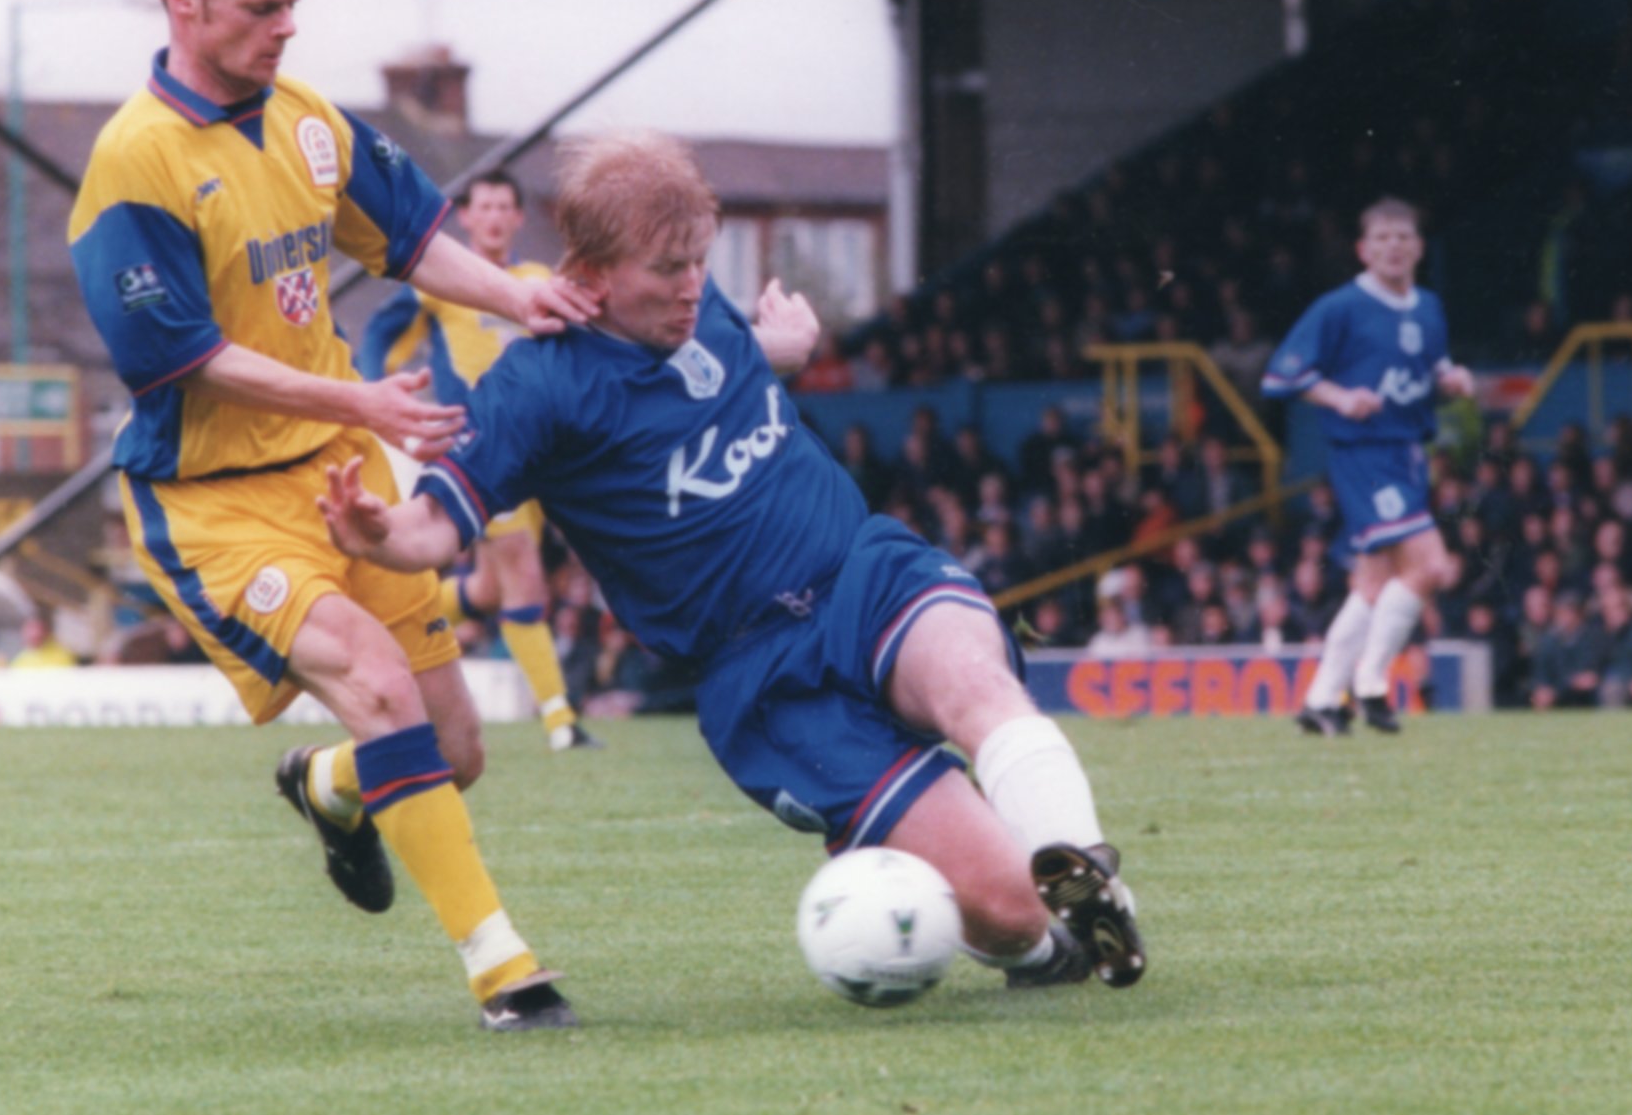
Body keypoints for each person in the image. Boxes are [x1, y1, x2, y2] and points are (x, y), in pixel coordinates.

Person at [320, 129, 1145, 992]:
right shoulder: (539, 389)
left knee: (976, 682)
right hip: (763, 680)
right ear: (594, 277)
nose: (691, 290)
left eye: (698, 263)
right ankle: (1052, 946)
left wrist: (785, 349)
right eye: (667, 270)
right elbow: (435, 529)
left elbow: (737, 353)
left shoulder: (703, 309)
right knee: (1011, 913)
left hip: (861, 572)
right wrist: (376, 534)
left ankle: (1094, 880)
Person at [68, 0, 595, 1031]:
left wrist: (518, 297)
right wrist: (357, 395)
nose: (288, 26)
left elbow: (409, 240)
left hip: (339, 473)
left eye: (295, 2)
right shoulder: (135, 163)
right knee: (372, 680)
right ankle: (504, 968)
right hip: (214, 506)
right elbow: (185, 362)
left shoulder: (309, 119)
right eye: (264, 6)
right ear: (185, 1)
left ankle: (327, 787)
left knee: (450, 751)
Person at [357, 170, 600, 753]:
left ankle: (374, 611)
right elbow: (380, 341)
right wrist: (379, 393)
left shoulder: (539, 280)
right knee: (521, 570)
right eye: (483, 206)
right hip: (479, 449)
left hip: (542, 451)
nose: (493, 216)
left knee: (491, 588)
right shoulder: (442, 281)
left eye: (504, 207)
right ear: (465, 217)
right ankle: (560, 720)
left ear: (518, 218)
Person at [1262, 198, 1474, 735]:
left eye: (1403, 237)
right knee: (1429, 564)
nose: (1393, 247)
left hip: (1407, 454)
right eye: (1381, 239)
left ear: (1419, 247)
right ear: (1363, 249)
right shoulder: (1340, 307)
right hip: (1364, 455)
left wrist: (1453, 379)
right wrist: (1338, 397)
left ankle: (1320, 700)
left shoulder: (1428, 306)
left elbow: (1432, 366)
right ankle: (1372, 683)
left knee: (1375, 584)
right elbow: (1282, 376)